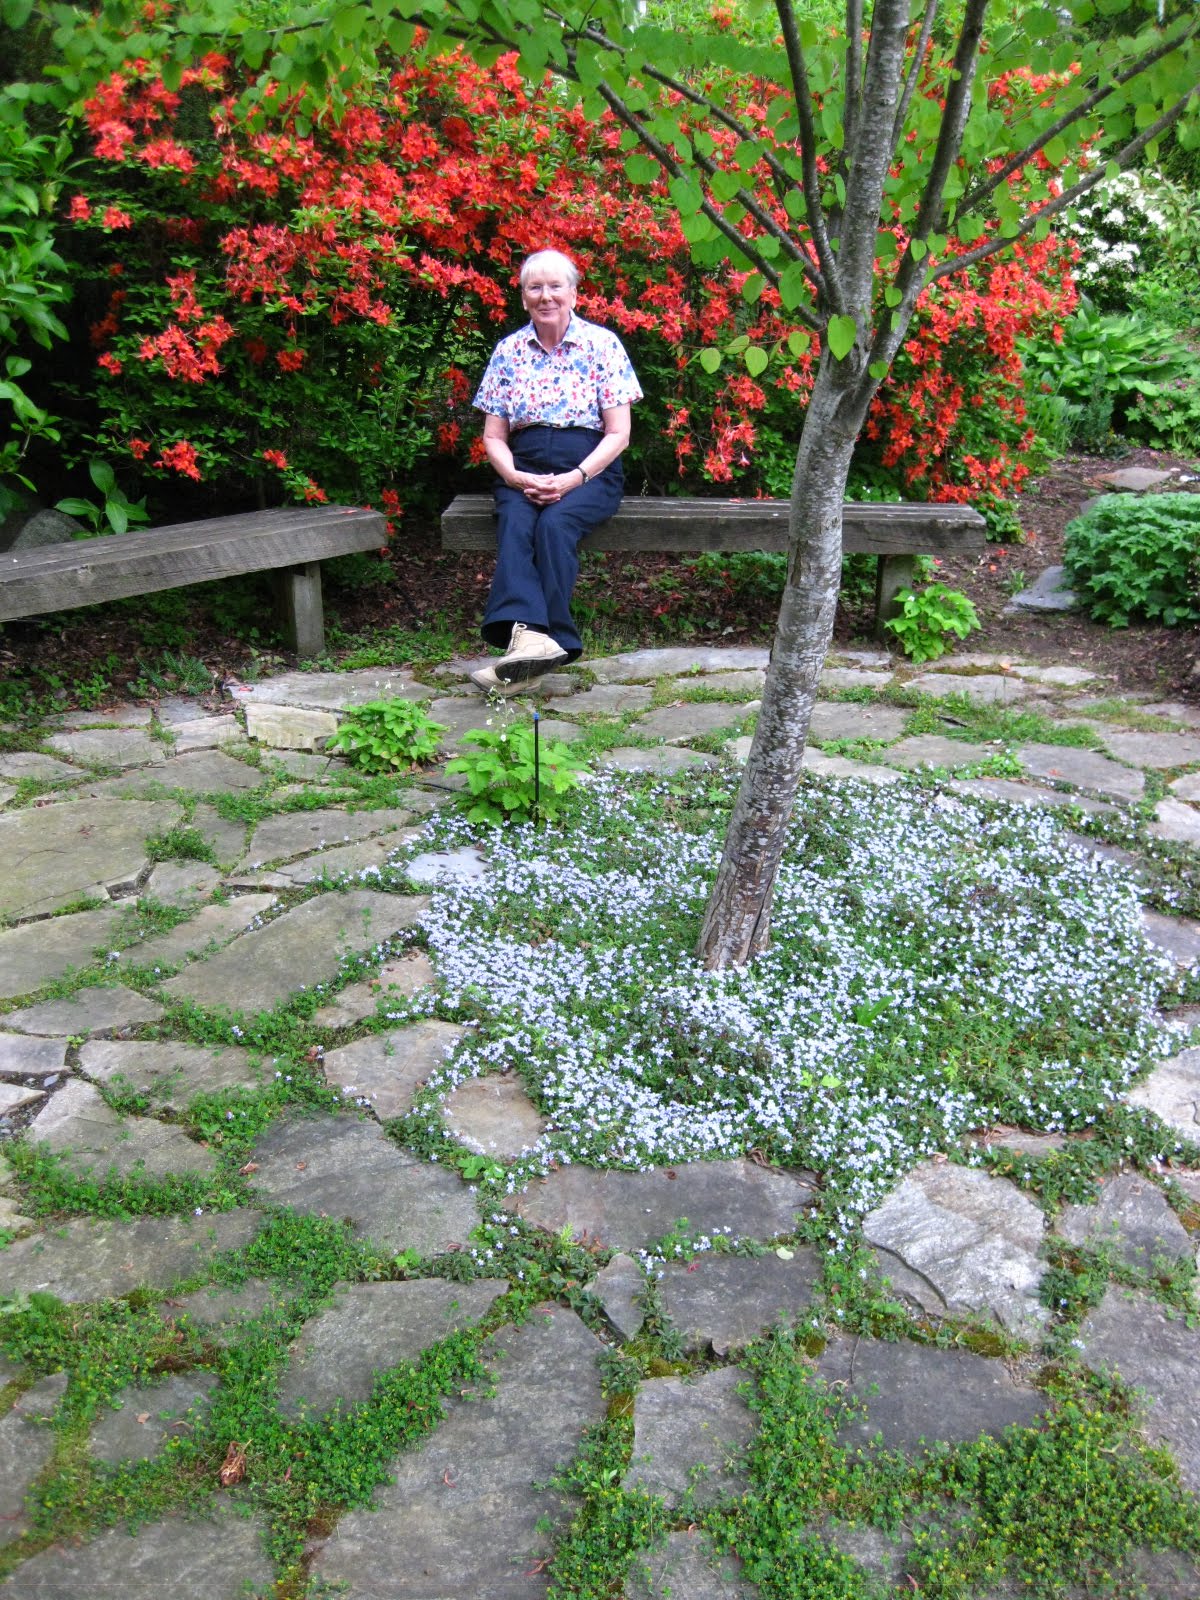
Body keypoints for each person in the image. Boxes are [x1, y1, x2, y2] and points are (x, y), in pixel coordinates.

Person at [468, 249, 642, 692]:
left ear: (574, 292)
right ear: (523, 297)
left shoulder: (602, 345)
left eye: (555, 286)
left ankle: (537, 641)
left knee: (556, 523)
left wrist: (575, 478)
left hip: (590, 467)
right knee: (515, 521)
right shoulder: (509, 351)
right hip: (523, 466)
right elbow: (493, 437)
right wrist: (514, 477)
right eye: (535, 287)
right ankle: (538, 644)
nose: (546, 296)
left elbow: (619, 433)